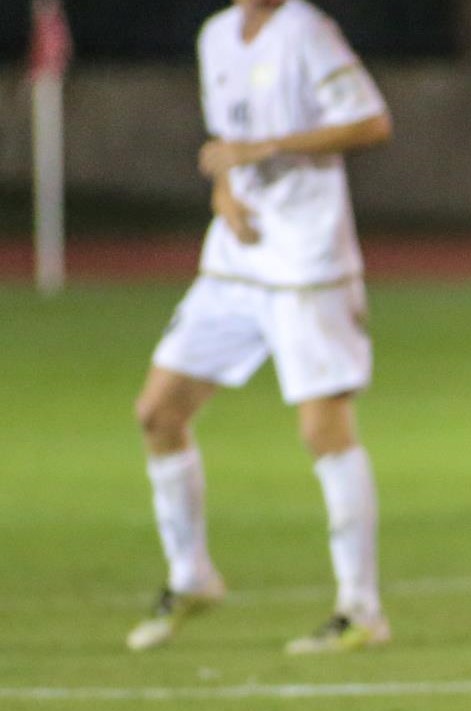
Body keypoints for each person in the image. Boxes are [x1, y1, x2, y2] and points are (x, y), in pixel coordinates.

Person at [127, 0, 393, 654]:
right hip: (235, 261)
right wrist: (224, 189)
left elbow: (370, 121)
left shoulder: (305, 30)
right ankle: (191, 575)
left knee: (323, 428)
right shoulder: (215, 36)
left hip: (307, 262)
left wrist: (270, 146)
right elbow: (226, 147)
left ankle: (360, 609)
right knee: (159, 411)